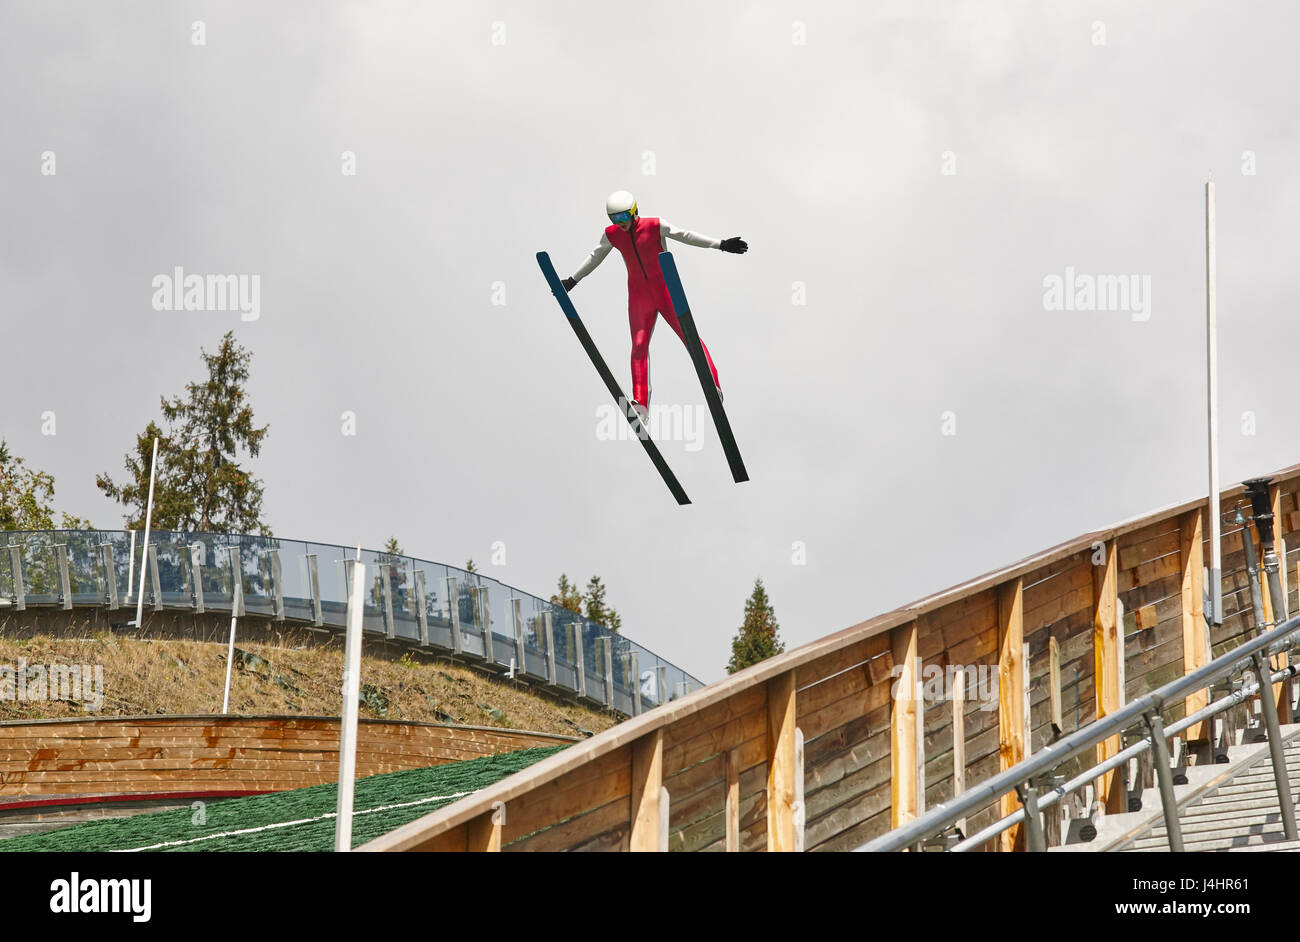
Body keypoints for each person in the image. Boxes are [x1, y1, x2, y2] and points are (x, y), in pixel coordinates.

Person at [563, 190, 747, 422]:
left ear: (634, 212)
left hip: (666, 292)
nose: (619, 224)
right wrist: (573, 280)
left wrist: (720, 244)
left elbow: (686, 235)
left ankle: (713, 385)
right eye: (614, 219)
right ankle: (640, 404)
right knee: (638, 346)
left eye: (623, 218)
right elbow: (595, 256)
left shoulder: (654, 225)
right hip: (639, 296)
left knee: (689, 337)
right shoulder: (612, 235)